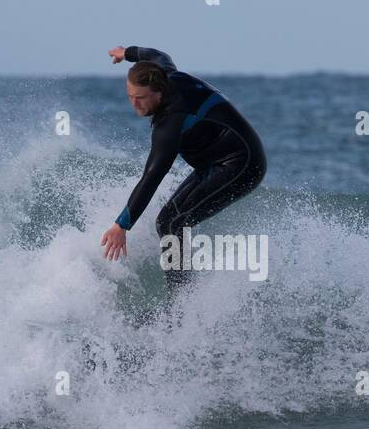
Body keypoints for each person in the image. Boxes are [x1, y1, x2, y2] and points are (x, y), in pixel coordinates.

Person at [100, 45, 267, 293]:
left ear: (158, 93)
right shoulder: (166, 74)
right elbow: (158, 56)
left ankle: (180, 302)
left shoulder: (170, 122)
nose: (134, 104)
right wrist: (129, 53)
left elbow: (152, 177)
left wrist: (121, 225)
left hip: (243, 165)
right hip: (214, 163)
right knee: (168, 222)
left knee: (171, 223)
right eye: (129, 96)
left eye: (140, 98)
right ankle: (184, 295)